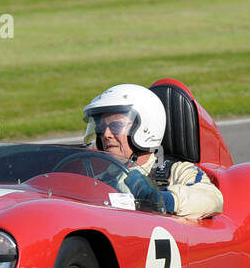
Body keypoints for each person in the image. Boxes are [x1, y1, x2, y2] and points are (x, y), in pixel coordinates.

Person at [82, 83, 223, 219]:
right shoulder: (101, 179)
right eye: (100, 128)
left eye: (117, 126)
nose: (106, 134)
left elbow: (212, 198)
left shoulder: (175, 171)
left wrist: (160, 199)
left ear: (146, 127)